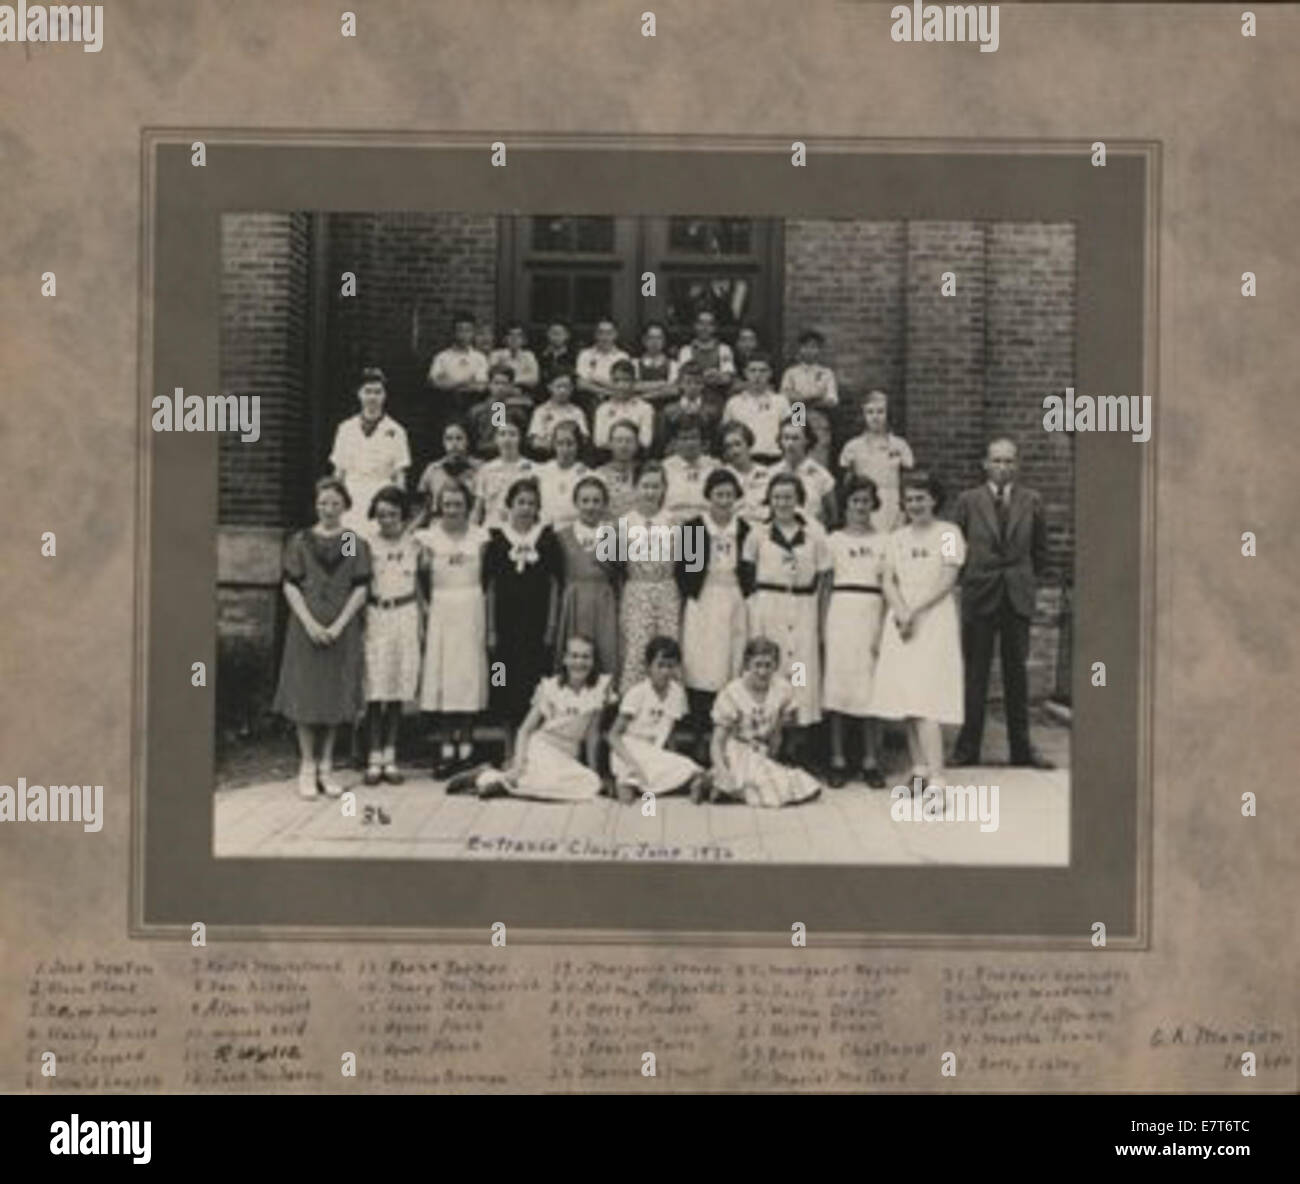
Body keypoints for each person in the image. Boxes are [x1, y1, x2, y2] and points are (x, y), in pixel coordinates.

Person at [949, 438, 1054, 769]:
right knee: (975, 674)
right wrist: (971, 578)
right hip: (980, 594)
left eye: (1009, 461)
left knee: (1016, 675)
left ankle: (1021, 750)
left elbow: (1040, 551)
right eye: (997, 460)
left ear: (1017, 465)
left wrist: (1024, 580)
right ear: (985, 464)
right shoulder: (968, 501)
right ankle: (967, 749)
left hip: (1016, 596)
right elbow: (954, 548)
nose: (1003, 467)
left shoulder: (1032, 501)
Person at [273, 477, 372, 799]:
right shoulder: (301, 541)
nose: (328, 509)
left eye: (335, 503)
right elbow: (290, 584)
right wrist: (310, 623)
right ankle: (306, 766)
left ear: (345, 506)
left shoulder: (350, 542)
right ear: (316, 505)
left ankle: (327, 766)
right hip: (307, 627)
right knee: (306, 693)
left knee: (333, 695)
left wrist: (340, 624)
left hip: (340, 629)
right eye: (323, 503)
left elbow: (359, 585)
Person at [870, 471, 965, 786]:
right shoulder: (895, 537)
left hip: (933, 619)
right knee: (907, 698)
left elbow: (948, 579)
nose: (915, 504)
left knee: (927, 698)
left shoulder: (949, 532)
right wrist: (900, 610)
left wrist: (915, 610)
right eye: (909, 499)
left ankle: (938, 778)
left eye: (921, 498)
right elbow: (887, 580)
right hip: (901, 623)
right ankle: (919, 769)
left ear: (934, 499)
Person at [448, 635, 613, 802]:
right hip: (542, 748)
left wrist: (595, 770)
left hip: (568, 756)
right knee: (546, 780)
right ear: (565, 659)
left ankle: (492, 778)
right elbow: (525, 730)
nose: (579, 662)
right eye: (574, 656)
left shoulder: (598, 690)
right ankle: (488, 778)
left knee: (590, 782)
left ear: (593, 661)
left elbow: (593, 735)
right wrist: (519, 764)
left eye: (585, 657)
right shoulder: (551, 688)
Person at [743, 472, 833, 751]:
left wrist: (821, 618)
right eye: (777, 497)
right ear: (769, 500)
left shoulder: (814, 533)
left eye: (789, 497)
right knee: (772, 667)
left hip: (803, 607)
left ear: (799, 500)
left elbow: (825, 575)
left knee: (800, 671)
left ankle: (797, 742)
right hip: (769, 606)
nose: (782, 502)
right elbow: (747, 575)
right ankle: (770, 740)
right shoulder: (758, 534)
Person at [676, 468, 755, 760]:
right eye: (718, 494)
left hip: (734, 598)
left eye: (729, 495)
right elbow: (684, 570)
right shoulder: (694, 528)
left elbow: (749, 569)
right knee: (700, 666)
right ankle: (700, 733)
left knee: (730, 663)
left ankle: (728, 735)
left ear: (737, 498)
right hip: (704, 600)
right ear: (708, 497)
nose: (723, 500)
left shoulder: (745, 530)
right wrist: (695, 596)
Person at [414, 480, 489, 777]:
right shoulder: (427, 538)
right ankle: (447, 748)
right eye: (447, 504)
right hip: (442, 609)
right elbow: (417, 579)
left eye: (459, 504)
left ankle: (467, 747)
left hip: (471, 606)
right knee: (444, 674)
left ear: (468, 507)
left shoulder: (481, 537)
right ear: (439, 507)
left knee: (468, 675)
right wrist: (425, 607)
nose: (453, 510)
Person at [484, 477, 561, 765]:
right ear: (509, 506)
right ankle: (507, 748)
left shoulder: (547, 539)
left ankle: (531, 751)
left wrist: (552, 625)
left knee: (535, 685)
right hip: (504, 628)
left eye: (531, 503)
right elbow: (490, 586)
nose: (526, 508)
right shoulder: (497, 540)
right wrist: (490, 628)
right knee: (502, 682)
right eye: (520, 503)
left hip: (536, 627)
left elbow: (555, 584)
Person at [822, 476, 889, 788]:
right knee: (837, 687)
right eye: (855, 501)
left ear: (874, 504)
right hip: (841, 612)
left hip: (871, 611)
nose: (861, 507)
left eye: (866, 501)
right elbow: (824, 586)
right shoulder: (833, 540)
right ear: (846, 505)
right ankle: (837, 758)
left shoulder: (885, 541)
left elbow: (891, 587)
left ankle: (870, 760)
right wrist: (822, 626)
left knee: (871, 690)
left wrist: (884, 629)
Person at [710, 638, 821, 807]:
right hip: (736, 752)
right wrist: (722, 770)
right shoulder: (733, 692)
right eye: (758, 665)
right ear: (747, 665)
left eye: (768, 665)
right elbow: (717, 741)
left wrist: (773, 756)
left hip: (762, 752)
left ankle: (722, 787)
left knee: (803, 784)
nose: (763, 671)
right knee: (767, 786)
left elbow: (777, 732)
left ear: (776, 666)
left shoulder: (781, 689)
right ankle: (714, 780)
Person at [361, 486, 422, 786]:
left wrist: (423, 620)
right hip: (376, 615)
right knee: (376, 687)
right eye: (382, 514)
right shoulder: (365, 544)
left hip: (405, 613)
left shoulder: (416, 543)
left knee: (397, 686)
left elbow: (423, 584)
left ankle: (390, 754)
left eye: (393, 514)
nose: (387, 520)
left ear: (403, 515)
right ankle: (373, 755)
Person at [609, 637, 710, 804]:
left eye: (670, 666)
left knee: (687, 766)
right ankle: (626, 784)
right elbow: (614, 735)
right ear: (648, 667)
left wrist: (673, 755)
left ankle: (685, 782)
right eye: (660, 665)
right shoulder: (637, 693)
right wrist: (631, 762)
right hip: (629, 750)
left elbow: (670, 730)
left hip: (655, 752)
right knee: (630, 787)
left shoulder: (677, 693)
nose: (665, 671)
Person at [618, 462, 682, 694]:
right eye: (645, 486)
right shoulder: (621, 521)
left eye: (656, 486)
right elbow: (609, 565)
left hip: (666, 589)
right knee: (637, 647)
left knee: (668, 644)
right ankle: (633, 703)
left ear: (664, 488)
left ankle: (668, 701)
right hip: (636, 590)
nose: (650, 492)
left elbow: (691, 562)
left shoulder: (676, 520)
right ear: (635, 487)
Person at [554, 475, 621, 682]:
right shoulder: (562, 535)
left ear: (604, 504)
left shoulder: (612, 534)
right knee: (576, 652)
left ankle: (605, 703)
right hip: (574, 599)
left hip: (604, 601)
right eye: (585, 501)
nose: (590, 506)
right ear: (576, 503)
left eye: (596, 501)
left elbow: (618, 574)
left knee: (605, 651)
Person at [328, 368, 411, 533]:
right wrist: (335, 502)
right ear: (359, 394)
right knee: (348, 548)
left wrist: (398, 506)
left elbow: (399, 475)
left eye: (377, 392)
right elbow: (339, 473)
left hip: (382, 499)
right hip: (351, 500)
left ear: (384, 396)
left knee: (377, 548)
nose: (372, 397)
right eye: (368, 391)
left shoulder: (396, 431)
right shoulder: (345, 428)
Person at [838, 390, 914, 533]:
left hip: (892, 500)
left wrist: (905, 507)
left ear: (888, 414)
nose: (875, 417)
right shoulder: (852, 446)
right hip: (865, 502)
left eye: (880, 412)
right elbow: (848, 483)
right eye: (870, 412)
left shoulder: (900, 445)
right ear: (864, 415)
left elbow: (906, 481)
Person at [722, 354, 791, 463]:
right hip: (743, 461)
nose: (757, 375)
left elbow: (797, 430)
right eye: (753, 370)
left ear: (770, 373)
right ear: (745, 373)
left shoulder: (782, 401)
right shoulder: (733, 402)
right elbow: (726, 436)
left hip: (775, 459)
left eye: (763, 371)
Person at [415, 419, 480, 525]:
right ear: (443, 442)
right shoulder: (433, 470)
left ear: (467, 441)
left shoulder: (481, 470)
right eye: (449, 439)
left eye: (459, 438)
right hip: (438, 527)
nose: (454, 444)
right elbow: (425, 510)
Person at [774, 416, 837, 526]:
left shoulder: (821, 475)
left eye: (795, 438)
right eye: (786, 438)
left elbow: (832, 516)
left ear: (806, 440)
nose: (790, 444)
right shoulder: (772, 473)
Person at [474, 415, 534, 526]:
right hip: (492, 528)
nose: (507, 439)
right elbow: (477, 510)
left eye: (512, 434)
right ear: (496, 439)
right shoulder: (486, 470)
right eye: (502, 434)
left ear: (520, 438)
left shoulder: (532, 468)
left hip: (521, 530)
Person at [428, 311, 489, 417]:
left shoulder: (480, 358)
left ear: (473, 333)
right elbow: (435, 383)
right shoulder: (442, 357)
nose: (464, 335)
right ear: (454, 333)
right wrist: (468, 381)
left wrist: (451, 382)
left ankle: (499, 431)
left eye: (468, 331)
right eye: (460, 330)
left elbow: (481, 386)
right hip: (448, 403)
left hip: (474, 402)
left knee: (498, 408)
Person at [661, 414, 718, 522]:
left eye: (694, 437)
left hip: (706, 523)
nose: (689, 443)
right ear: (675, 442)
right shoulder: (665, 468)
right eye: (684, 438)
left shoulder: (714, 467)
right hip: (673, 522)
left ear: (702, 441)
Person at [468, 363, 533, 457]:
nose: (500, 387)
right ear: (489, 385)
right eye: (496, 383)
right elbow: (473, 438)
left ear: (511, 386)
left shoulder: (519, 411)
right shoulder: (477, 411)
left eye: (504, 383)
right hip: (483, 455)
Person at [657, 358, 721, 453]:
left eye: (697, 383)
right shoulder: (669, 411)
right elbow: (664, 441)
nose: (693, 387)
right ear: (680, 384)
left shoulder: (712, 411)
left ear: (703, 385)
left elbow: (714, 441)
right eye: (688, 382)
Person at [534, 419, 589, 529]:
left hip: (575, 533)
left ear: (578, 445)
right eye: (560, 443)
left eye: (570, 444)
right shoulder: (539, 472)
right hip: (546, 531)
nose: (565, 449)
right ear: (553, 444)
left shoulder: (587, 475)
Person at [592, 359, 654, 456]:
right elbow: (599, 442)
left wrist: (621, 445)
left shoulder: (645, 408)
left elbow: (645, 441)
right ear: (611, 382)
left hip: (636, 458)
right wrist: (622, 446)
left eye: (626, 380)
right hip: (608, 458)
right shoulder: (602, 409)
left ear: (634, 382)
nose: (621, 385)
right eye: (616, 381)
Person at [526, 369, 589, 458]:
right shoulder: (541, 411)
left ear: (572, 389)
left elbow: (583, 438)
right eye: (559, 386)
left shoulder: (577, 412)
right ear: (550, 387)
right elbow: (535, 441)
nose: (562, 391)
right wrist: (556, 446)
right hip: (546, 455)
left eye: (566, 387)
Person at [720, 420, 773, 523]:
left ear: (748, 444)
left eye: (738, 444)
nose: (734, 451)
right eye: (728, 447)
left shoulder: (767, 473)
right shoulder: (722, 476)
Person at [675, 309, 735, 398]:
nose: (705, 328)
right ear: (695, 326)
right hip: (691, 398)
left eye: (709, 324)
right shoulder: (685, 350)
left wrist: (699, 377)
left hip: (717, 398)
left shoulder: (724, 349)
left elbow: (727, 379)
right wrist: (712, 376)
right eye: (701, 324)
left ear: (714, 328)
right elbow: (685, 379)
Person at [575, 317, 631, 409]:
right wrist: (607, 391)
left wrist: (594, 378)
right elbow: (581, 384)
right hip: (589, 402)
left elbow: (623, 386)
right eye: (600, 333)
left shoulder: (623, 356)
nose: (604, 337)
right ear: (595, 335)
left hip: (616, 403)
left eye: (609, 333)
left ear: (615, 335)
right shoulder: (585, 354)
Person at [780, 328, 839, 411]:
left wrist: (815, 401)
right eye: (805, 347)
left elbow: (832, 399)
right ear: (799, 349)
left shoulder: (826, 373)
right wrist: (799, 398)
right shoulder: (791, 372)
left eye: (813, 347)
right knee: (798, 414)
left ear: (819, 350)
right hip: (798, 409)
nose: (809, 351)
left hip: (820, 410)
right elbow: (784, 395)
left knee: (820, 421)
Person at [594, 420, 642, 520]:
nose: (624, 445)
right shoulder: (598, 475)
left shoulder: (644, 472)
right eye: (619, 440)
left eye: (629, 441)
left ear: (637, 445)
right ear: (610, 444)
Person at [633, 321, 679, 403]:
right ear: (644, 340)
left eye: (659, 338)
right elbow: (634, 387)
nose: (655, 341)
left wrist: (644, 395)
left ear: (664, 341)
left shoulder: (673, 364)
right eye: (651, 338)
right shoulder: (635, 363)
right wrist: (662, 384)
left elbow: (673, 390)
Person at [489, 320, 540, 392]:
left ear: (524, 339)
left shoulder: (529, 356)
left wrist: (508, 380)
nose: (514, 338)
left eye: (518, 335)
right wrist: (521, 379)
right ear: (505, 338)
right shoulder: (496, 355)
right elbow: (493, 378)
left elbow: (534, 379)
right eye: (511, 335)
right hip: (500, 394)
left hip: (523, 393)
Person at [537, 319, 577, 390]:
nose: (556, 337)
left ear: (567, 335)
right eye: (553, 333)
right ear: (547, 334)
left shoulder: (574, 356)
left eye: (559, 333)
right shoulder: (539, 355)